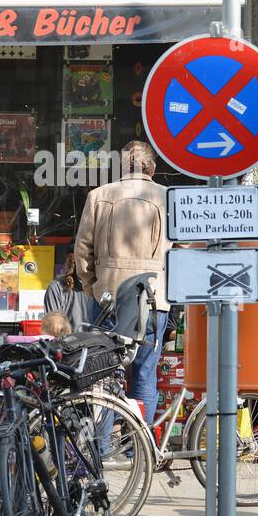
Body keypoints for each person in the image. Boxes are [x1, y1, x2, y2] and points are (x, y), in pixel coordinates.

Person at [74, 140, 171, 423]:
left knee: (103, 374)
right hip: (154, 297)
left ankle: (103, 448)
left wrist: (92, 285)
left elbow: (82, 250)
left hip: (107, 295)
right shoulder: (167, 197)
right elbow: (183, 251)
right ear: (151, 167)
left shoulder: (99, 196)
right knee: (145, 372)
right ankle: (140, 447)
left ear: (121, 166)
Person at [42, 254, 100, 332]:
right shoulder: (57, 288)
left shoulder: (105, 288)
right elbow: (53, 329)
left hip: (99, 341)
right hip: (68, 342)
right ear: (74, 261)